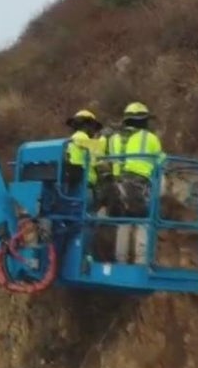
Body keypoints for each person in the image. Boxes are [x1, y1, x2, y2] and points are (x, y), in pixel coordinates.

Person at [106, 102, 165, 264]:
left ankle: (120, 261)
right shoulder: (150, 138)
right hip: (139, 185)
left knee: (123, 223)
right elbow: (161, 162)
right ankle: (141, 261)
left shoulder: (113, 139)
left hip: (117, 186)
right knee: (143, 222)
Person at [63, 108, 108, 200]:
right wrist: (104, 138)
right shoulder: (80, 136)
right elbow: (97, 149)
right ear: (87, 125)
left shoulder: (72, 139)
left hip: (79, 181)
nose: (94, 131)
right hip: (84, 182)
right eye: (94, 127)